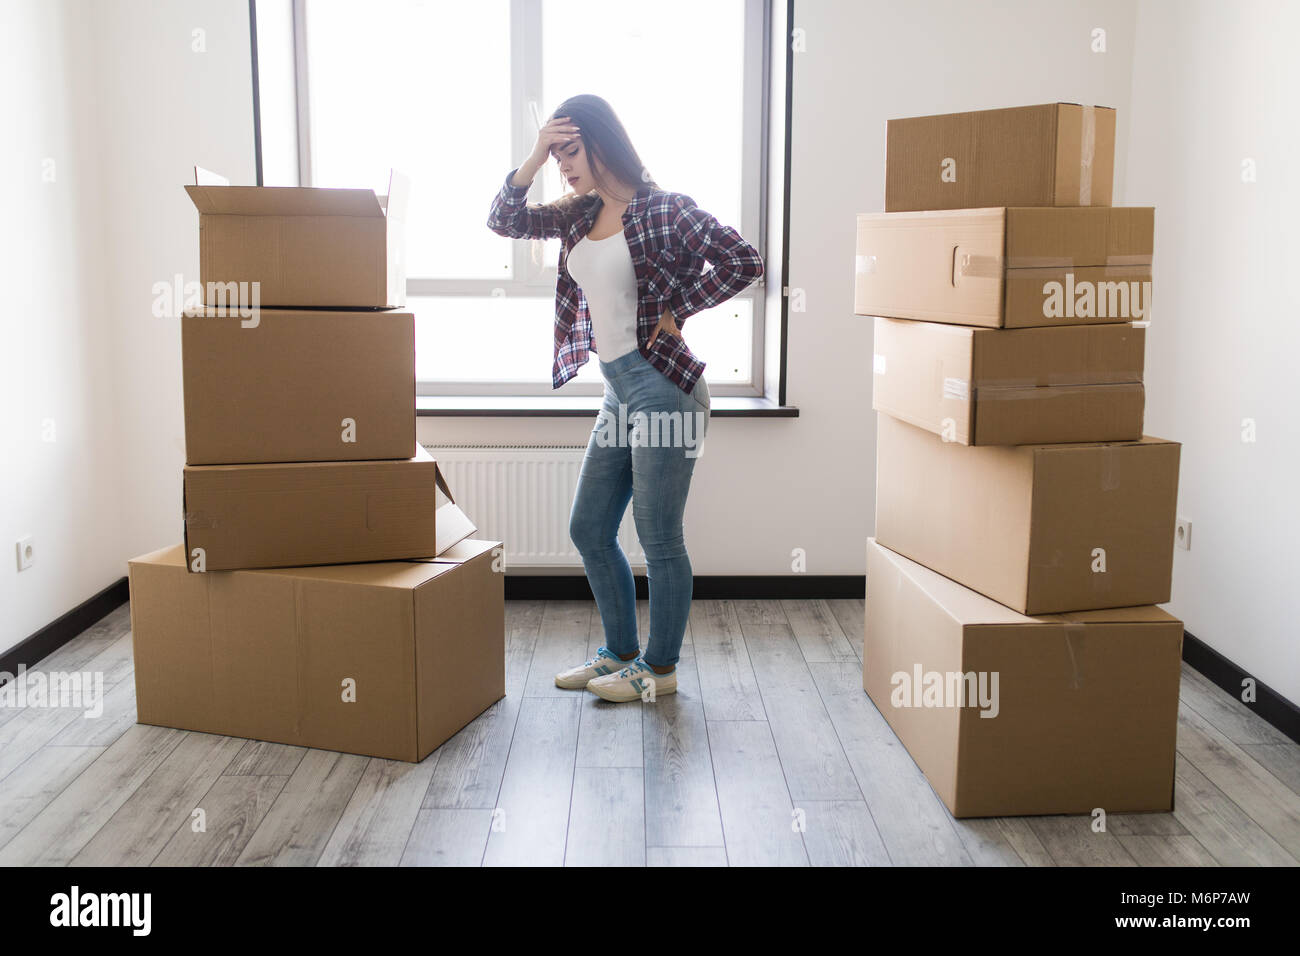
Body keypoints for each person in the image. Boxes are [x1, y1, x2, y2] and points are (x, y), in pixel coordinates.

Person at [486, 93, 763, 703]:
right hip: (618, 392)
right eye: (556, 155)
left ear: (602, 142)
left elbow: (745, 260)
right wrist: (532, 158)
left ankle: (657, 671)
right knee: (589, 527)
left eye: (569, 151)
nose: (563, 165)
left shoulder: (663, 209)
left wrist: (678, 307)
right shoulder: (577, 214)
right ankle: (619, 653)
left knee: (659, 537)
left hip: (664, 391)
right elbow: (505, 219)